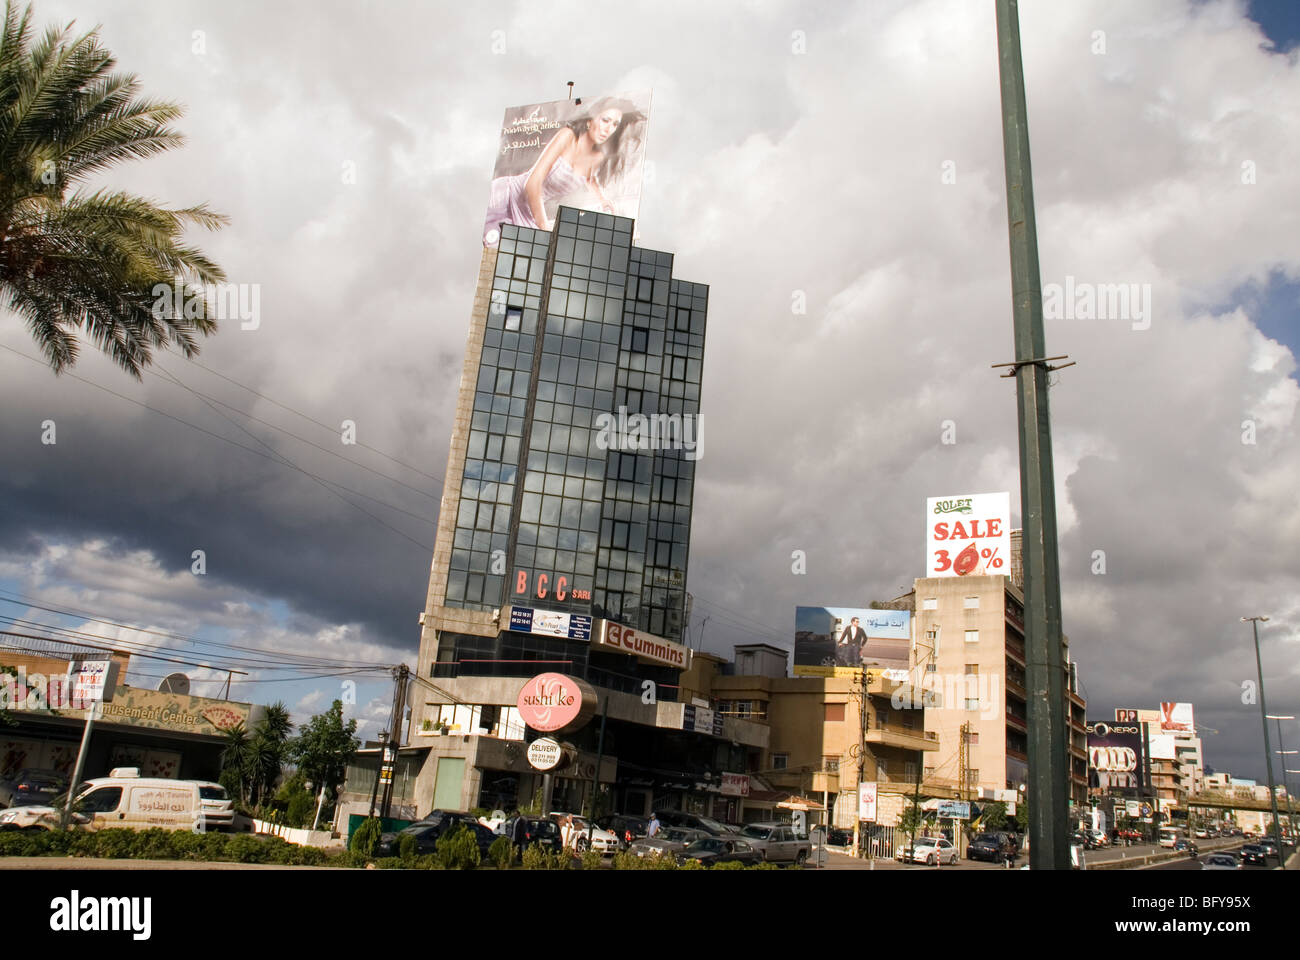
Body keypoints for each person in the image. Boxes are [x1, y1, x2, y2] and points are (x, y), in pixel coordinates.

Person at [483, 96, 645, 243]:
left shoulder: (597, 157)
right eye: (605, 120)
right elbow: (533, 183)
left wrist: (602, 198)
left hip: (530, 212)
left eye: (615, 124)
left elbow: (589, 178)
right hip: (508, 195)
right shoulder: (567, 136)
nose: (608, 129)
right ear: (590, 120)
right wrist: (543, 225)